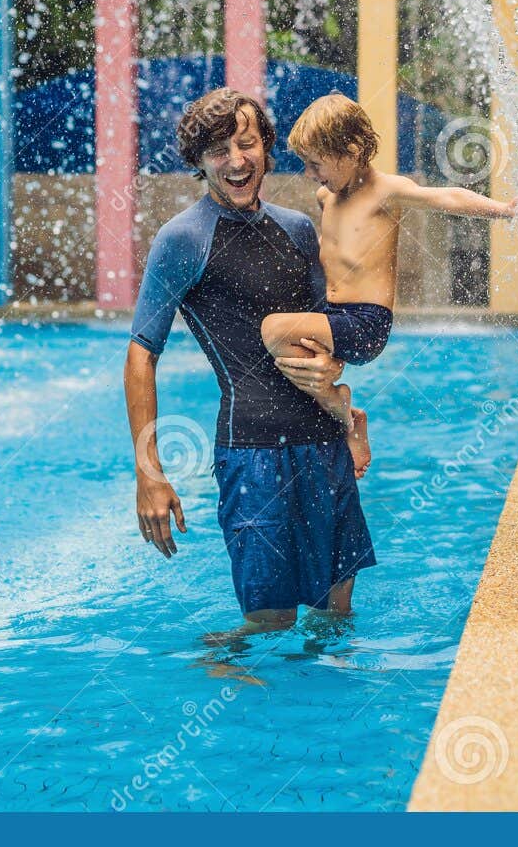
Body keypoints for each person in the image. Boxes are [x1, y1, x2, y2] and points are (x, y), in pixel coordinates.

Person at [123, 87, 376, 634]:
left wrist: (348, 415)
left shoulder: (298, 229)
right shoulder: (182, 240)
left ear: (265, 148)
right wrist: (149, 474)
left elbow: (321, 340)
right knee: (269, 624)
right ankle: (218, 662)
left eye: (247, 144)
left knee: (337, 617)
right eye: (218, 150)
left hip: (325, 447)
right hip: (252, 455)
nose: (236, 161)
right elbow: (142, 356)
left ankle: (319, 719)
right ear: (198, 161)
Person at [260, 93, 518, 477]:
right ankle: (344, 409)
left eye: (315, 164)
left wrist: (503, 211)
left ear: (350, 151)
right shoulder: (325, 197)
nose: (311, 175)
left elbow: (447, 196)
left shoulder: (386, 191)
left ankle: (342, 408)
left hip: (365, 323)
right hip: (332, 317)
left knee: (272, 329)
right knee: (284, 360)